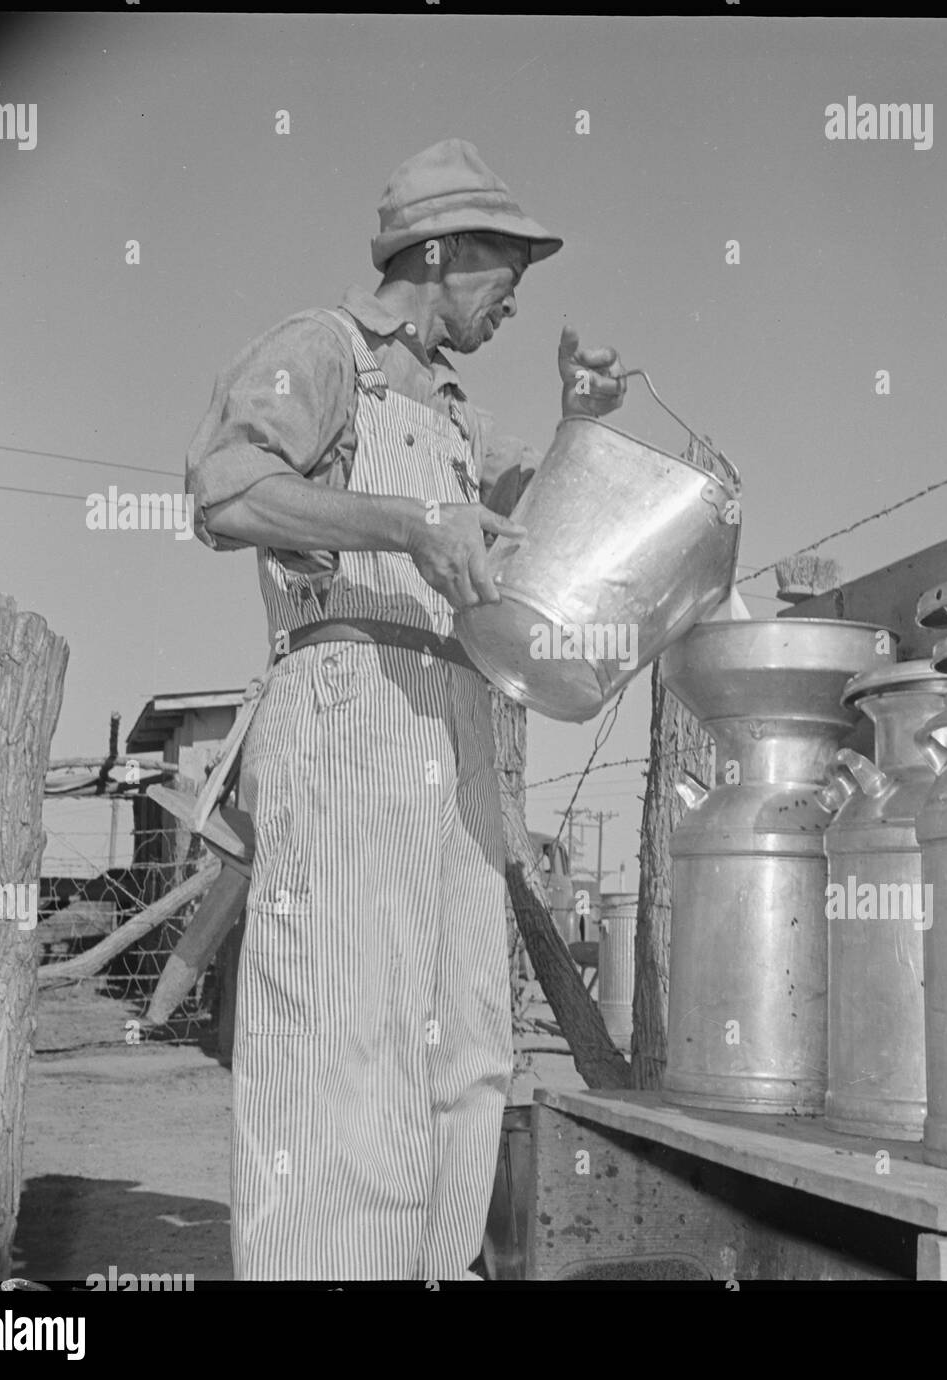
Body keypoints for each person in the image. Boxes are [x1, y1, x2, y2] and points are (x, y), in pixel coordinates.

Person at [184, 138, 627, 1280]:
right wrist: (408, 526)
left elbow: (526, 528)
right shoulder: (321, 350)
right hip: (347, 698)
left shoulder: (452, 410)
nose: (514, 300)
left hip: (454, 717)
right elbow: (225, 494)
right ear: (433, 252)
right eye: (501, 270)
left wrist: (577, 422)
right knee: (349, 1031)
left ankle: (426, 1269)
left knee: (469, 1041)